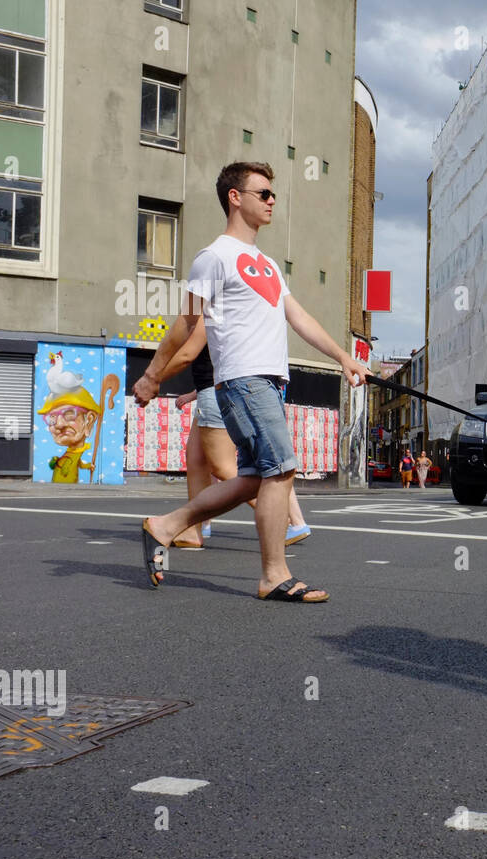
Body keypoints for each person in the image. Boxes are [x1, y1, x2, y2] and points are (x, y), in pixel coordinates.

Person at [133, 161, 368, 601]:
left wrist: (343, 358)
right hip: (242, 380)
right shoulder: (214, 256)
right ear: (235, 198)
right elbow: (186, 324)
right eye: (263, 193)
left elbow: (297, 317)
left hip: (271, 382)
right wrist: (150, 377)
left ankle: (164, 526)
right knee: (282, 469)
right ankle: (274, 575)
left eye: (273, 194)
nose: (272, 200)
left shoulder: (268, 265)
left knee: (259, 477)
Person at [153, 326, 310, 548]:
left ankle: (282, 520)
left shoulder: (210, 306)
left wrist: (153, 376)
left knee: (225, 467)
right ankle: (193, 529)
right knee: (196, 459)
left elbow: (188, 353)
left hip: (215, 390)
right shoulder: (230, 314)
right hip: (212, 389)